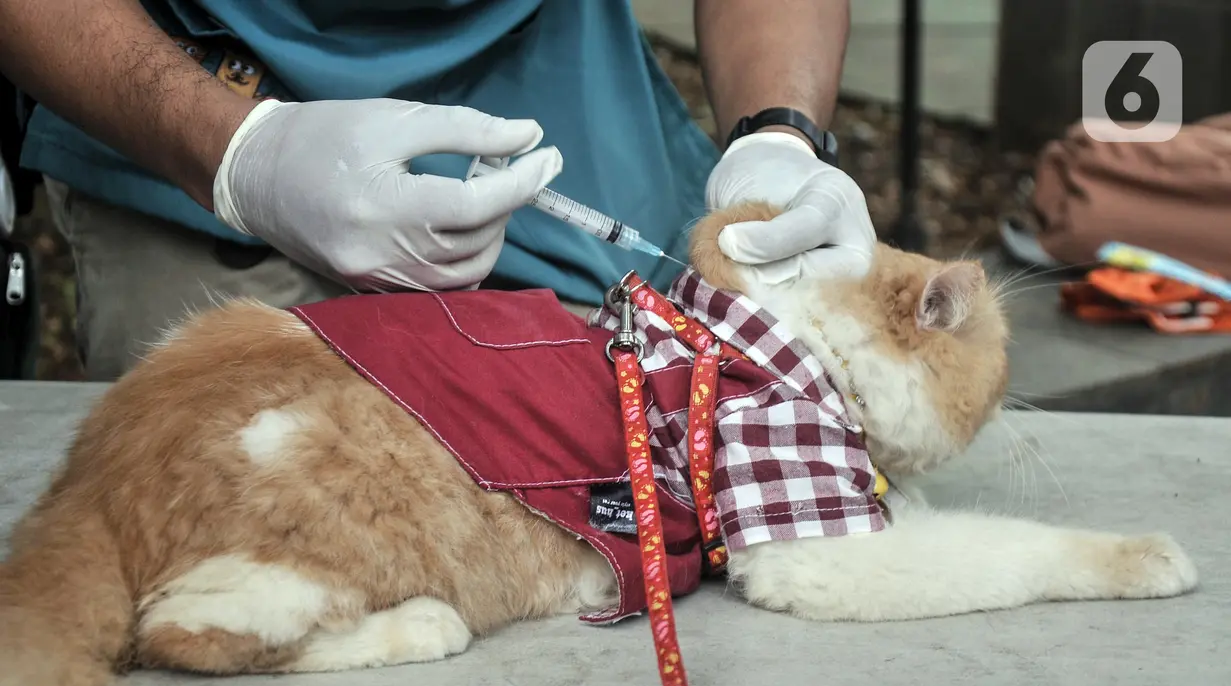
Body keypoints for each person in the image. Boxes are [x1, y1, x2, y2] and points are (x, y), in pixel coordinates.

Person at [0, 0, 877, 381]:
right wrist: (240, 156)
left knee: (657, 438)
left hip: (544, 68)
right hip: (193, 85)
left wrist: (778, 133)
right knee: (232, 475)